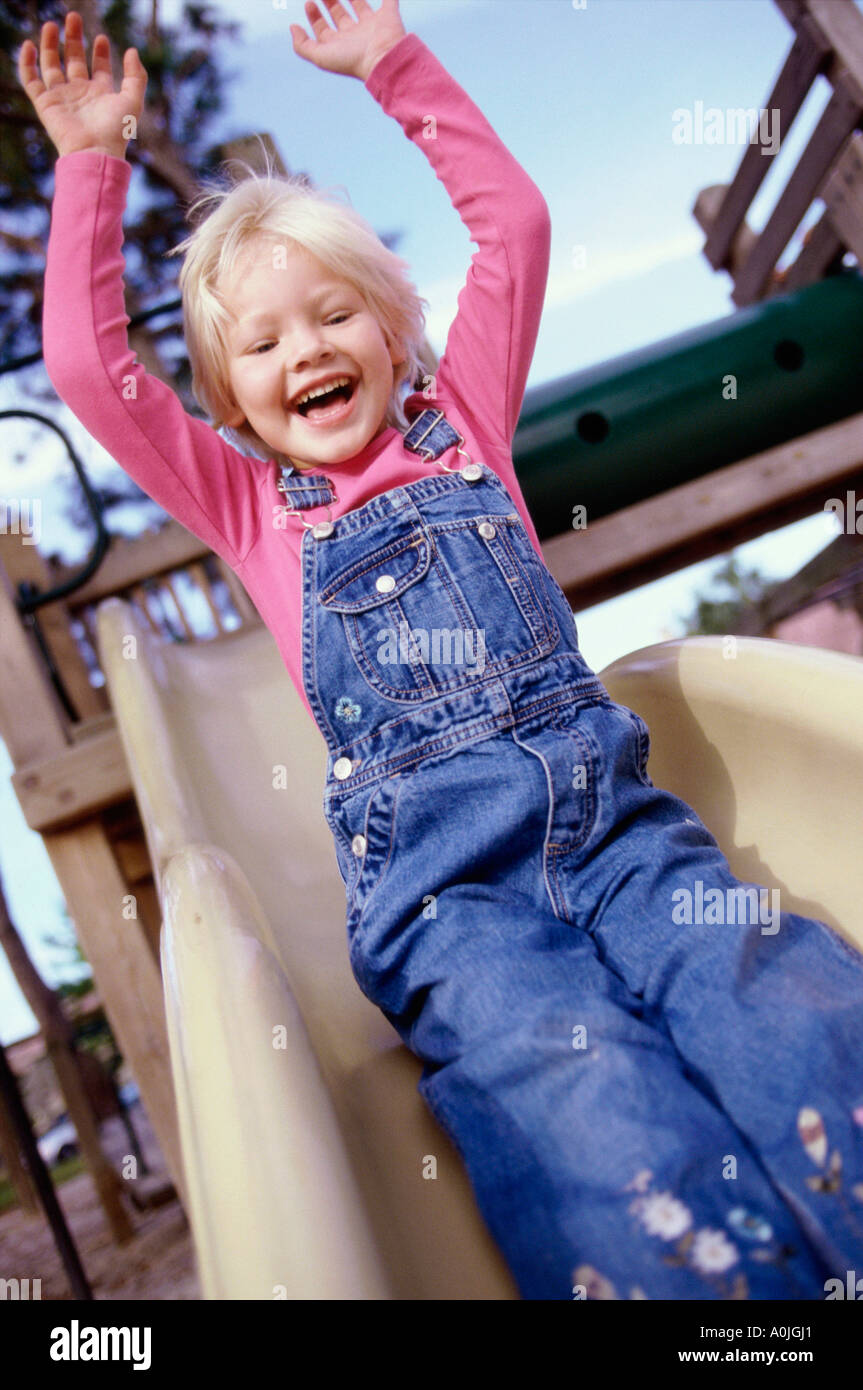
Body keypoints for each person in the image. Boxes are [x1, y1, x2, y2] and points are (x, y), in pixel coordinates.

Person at [19, 2, 863, 1301]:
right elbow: (89, 368)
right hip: (449, 898)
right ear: (230, 396)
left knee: (770, 994)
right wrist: (91, 161)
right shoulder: (249, 509)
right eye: (263, 342)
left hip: (617, 829)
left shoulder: (464, 418)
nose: (307, 349)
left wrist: (391, 67)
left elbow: (511, 224)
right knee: (577, 1091)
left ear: (393, 327)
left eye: (334, 313)